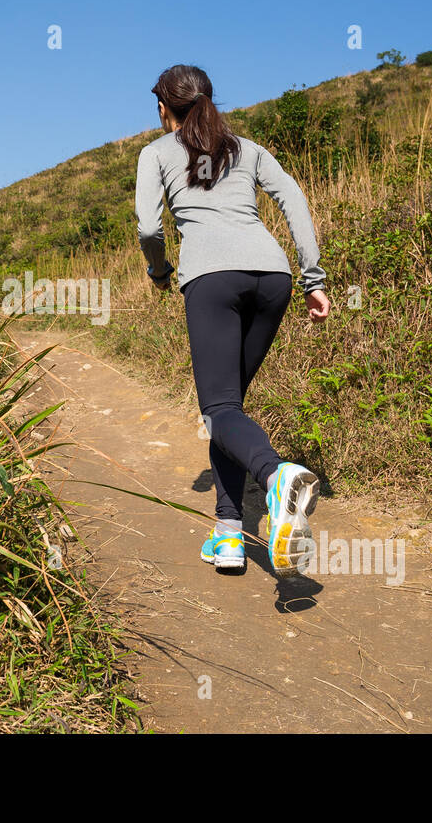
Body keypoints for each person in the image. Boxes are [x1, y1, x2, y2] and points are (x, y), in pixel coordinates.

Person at [135, 64, 330, 576]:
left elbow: (148, 226)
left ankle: (275, 476)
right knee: (228, 410)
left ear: (163, 107)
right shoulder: (248, 149)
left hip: (212, 279)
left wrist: (158, 271)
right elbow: (293, 198)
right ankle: (228, 533)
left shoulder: (156, 153)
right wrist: (314, 279)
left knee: (218, 407)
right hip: (273, 278)